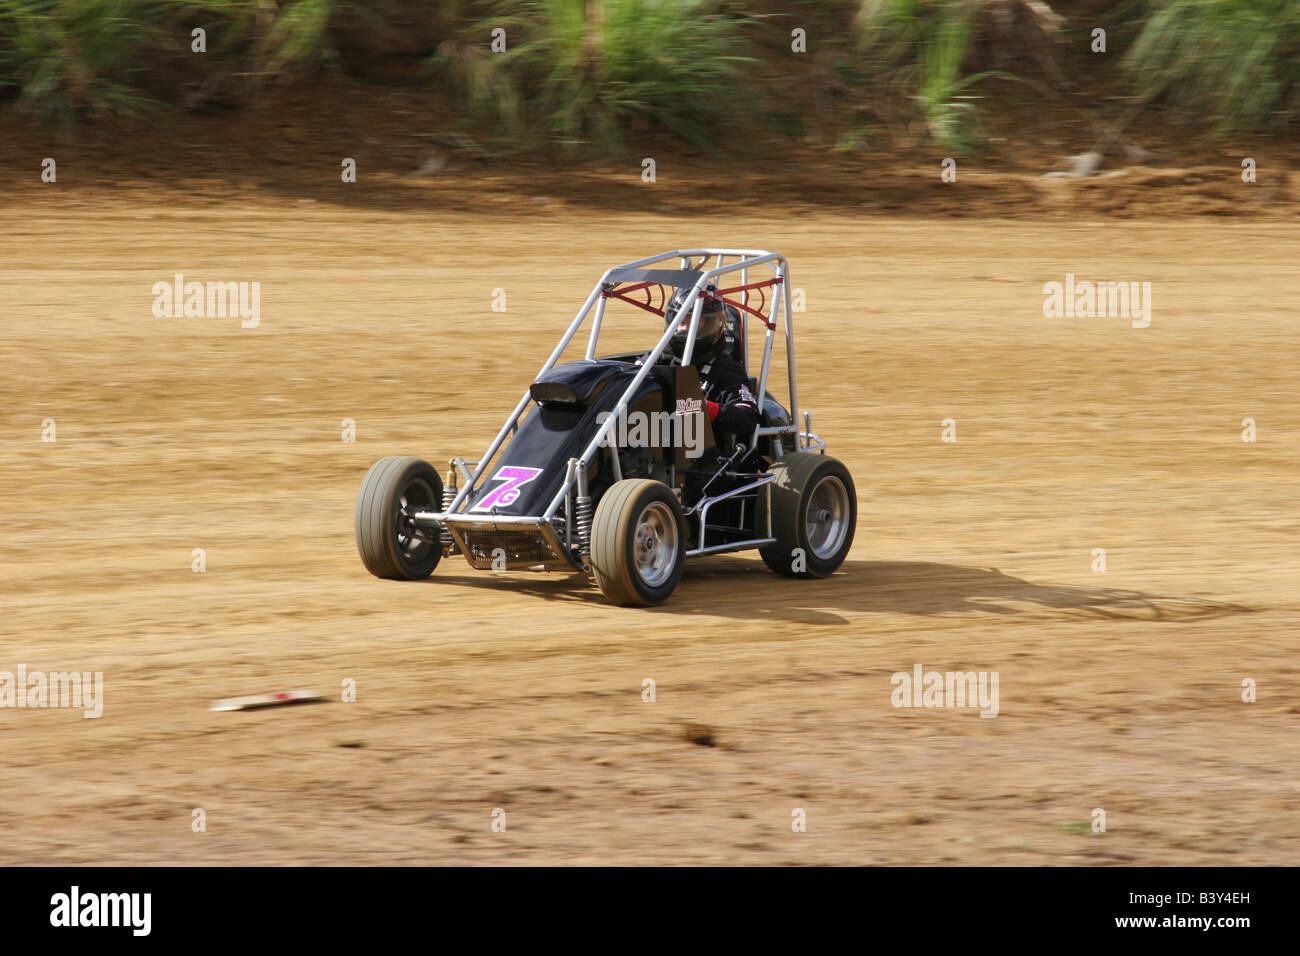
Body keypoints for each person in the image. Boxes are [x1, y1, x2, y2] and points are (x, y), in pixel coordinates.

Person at [659, 285, 760, 448]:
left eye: (691, 320)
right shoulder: (659, 358)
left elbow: (746, 418)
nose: (683, 327)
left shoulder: (725, 370)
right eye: (679, 318)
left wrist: (701, 407)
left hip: (703, 460)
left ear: (710, 324)